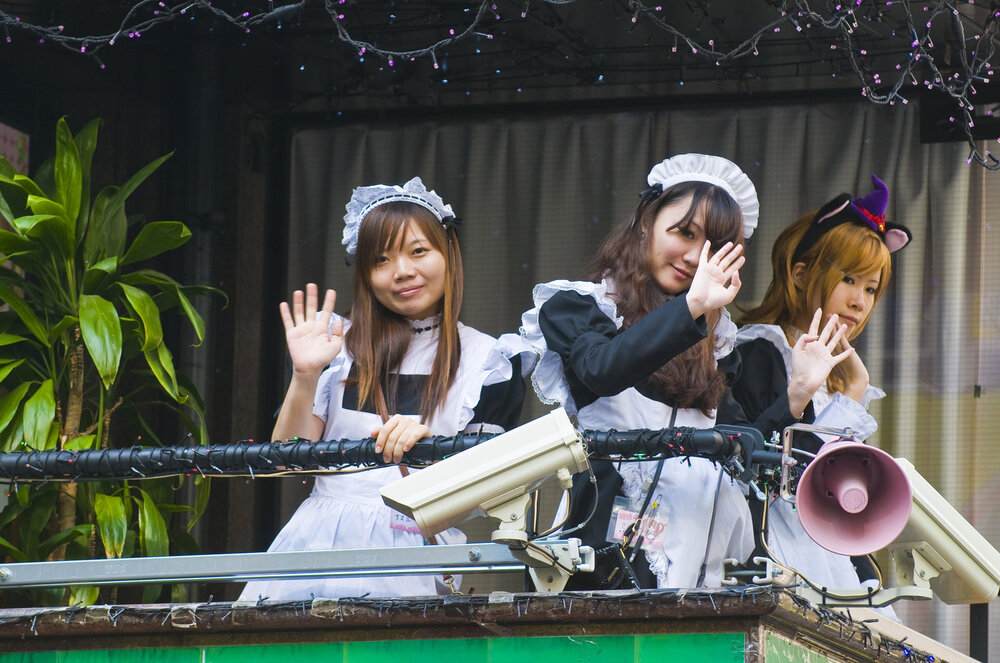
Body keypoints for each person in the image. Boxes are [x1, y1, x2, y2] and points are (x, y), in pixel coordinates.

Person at [241, 177, 533, 601]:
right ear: (366, 273)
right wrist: (304, 376)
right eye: (381, 260)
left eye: (418, 251)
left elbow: (487, 495)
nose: (402, 272)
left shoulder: (490, 360)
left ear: (448, 253)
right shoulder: (335, 342)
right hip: (317, 540)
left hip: (416, 550)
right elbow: (288, 460)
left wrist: (435, 453)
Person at [520, 153, 760, 589]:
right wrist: (692, 309)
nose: (693, 257)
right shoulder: (580, 306)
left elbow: (742, 441)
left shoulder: (719, 343)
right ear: (647, 221)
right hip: (609, 554)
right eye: (685, 233)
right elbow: (601, 369)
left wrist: (797, 395)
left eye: (712, 249)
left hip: (705, 556)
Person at [731, 174, 911, 596]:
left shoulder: (840, 375)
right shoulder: (760, 349)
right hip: (768, 548)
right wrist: (850, 392)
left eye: (871, 288)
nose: (859, 301)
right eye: (849, 279)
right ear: (799, 273)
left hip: (822, 549)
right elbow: (770, 472)